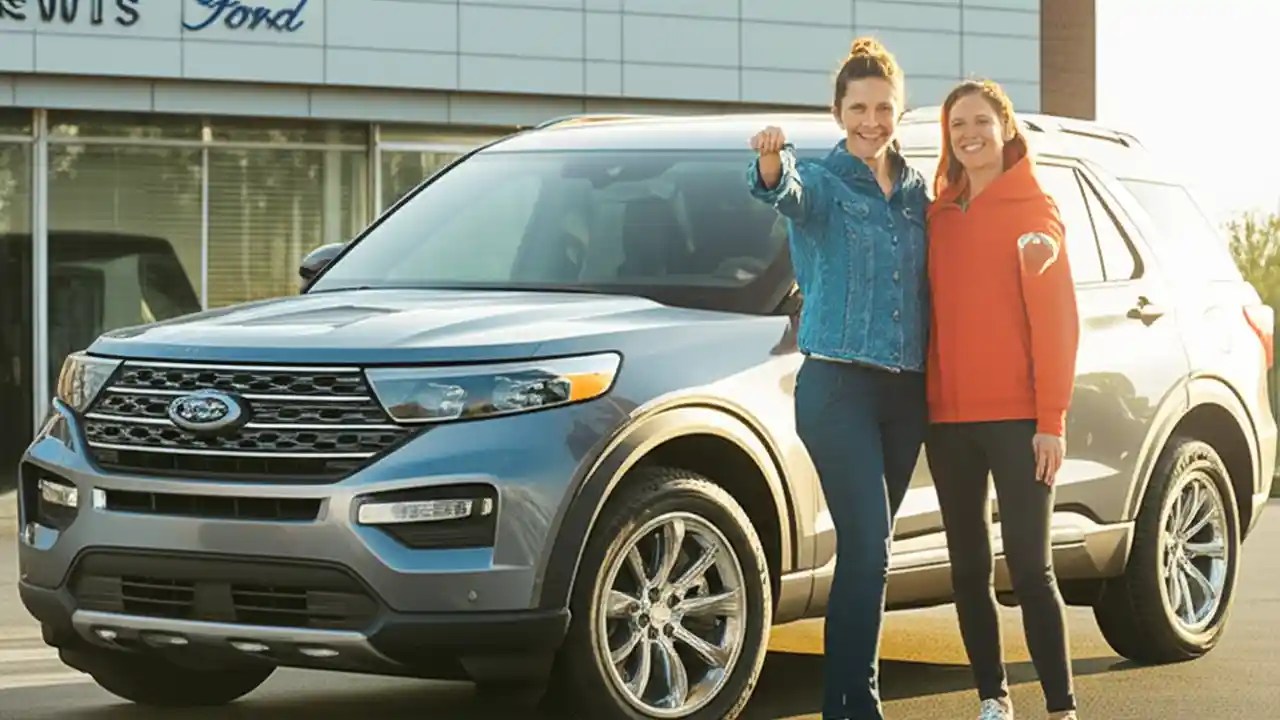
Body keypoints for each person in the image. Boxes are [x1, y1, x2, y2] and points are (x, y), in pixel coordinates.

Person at [747, 37, 931, 720]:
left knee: (870, 554)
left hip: (904, 394)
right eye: (859, 108)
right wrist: (771, 162)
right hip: (837, 389)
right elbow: (784, 193)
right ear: (838, 111)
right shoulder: (822, 184)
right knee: (868, 544)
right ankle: (850, 708)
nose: (872, 121)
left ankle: (856, 702)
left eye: (884, 108)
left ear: (898, 111)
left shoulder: (916, 192)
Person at [923, 78, 1081, 720]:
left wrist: (1052, 422)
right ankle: (993, 698)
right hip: (948, 422)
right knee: (966, 570)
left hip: (1020, 422)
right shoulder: (938, 216)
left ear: (1006, 128)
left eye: (982, 121)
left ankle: (1062, 706)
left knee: (1030, 567)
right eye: (958, 124)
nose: (970, 134)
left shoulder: (1035, 213)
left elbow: (1057, 326)